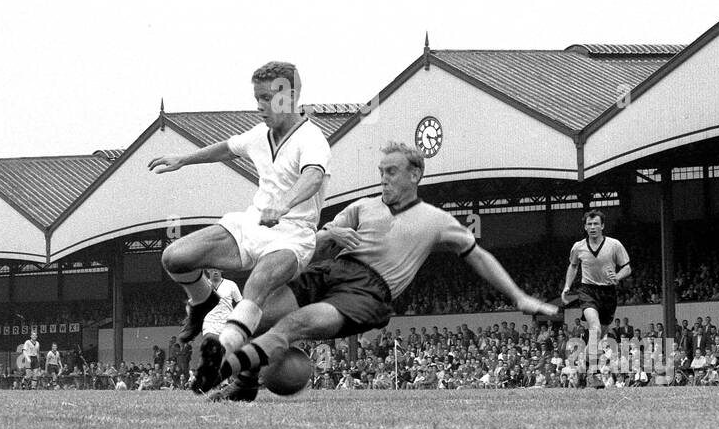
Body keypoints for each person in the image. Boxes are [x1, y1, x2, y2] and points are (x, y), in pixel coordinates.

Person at [205, 142, 556, 401]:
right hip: (332, 272)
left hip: (367, 294)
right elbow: (316, 244)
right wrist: (328, 233)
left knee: (292, 325)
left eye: (391, 172)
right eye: (381, 172)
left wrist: (519, 296)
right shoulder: (362, 207)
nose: (384, 179)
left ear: (415, 174)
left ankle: (222, 374)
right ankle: (246, 385)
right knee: (257, 313)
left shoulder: (436, 221)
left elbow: (478, 256)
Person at [149, 61, 331, 392]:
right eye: (257, 97)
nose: (259, 106)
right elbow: (227, 148)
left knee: (257, 286)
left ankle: (219, 359)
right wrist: (183, 159)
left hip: (291, 238)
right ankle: (203, 302)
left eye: (266, 98)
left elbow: (313, 176)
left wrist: (286, 203)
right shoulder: (259, 136)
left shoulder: (312, 138)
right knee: (174, 257)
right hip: (250, 226)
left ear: (287, 97)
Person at [560, 210, 631, 373]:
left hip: (608, 293)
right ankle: (593, 372)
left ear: (602, 226)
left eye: (596, 224)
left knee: (599, 336)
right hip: (588, 291)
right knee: (595, 328)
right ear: (585, 227)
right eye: (589, 224)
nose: (593, 227)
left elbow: (627, 267)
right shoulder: (578, 247)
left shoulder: (614, 245)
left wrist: (618, 276)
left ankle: (581, 365)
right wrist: (567, 286)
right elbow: (573, 266)